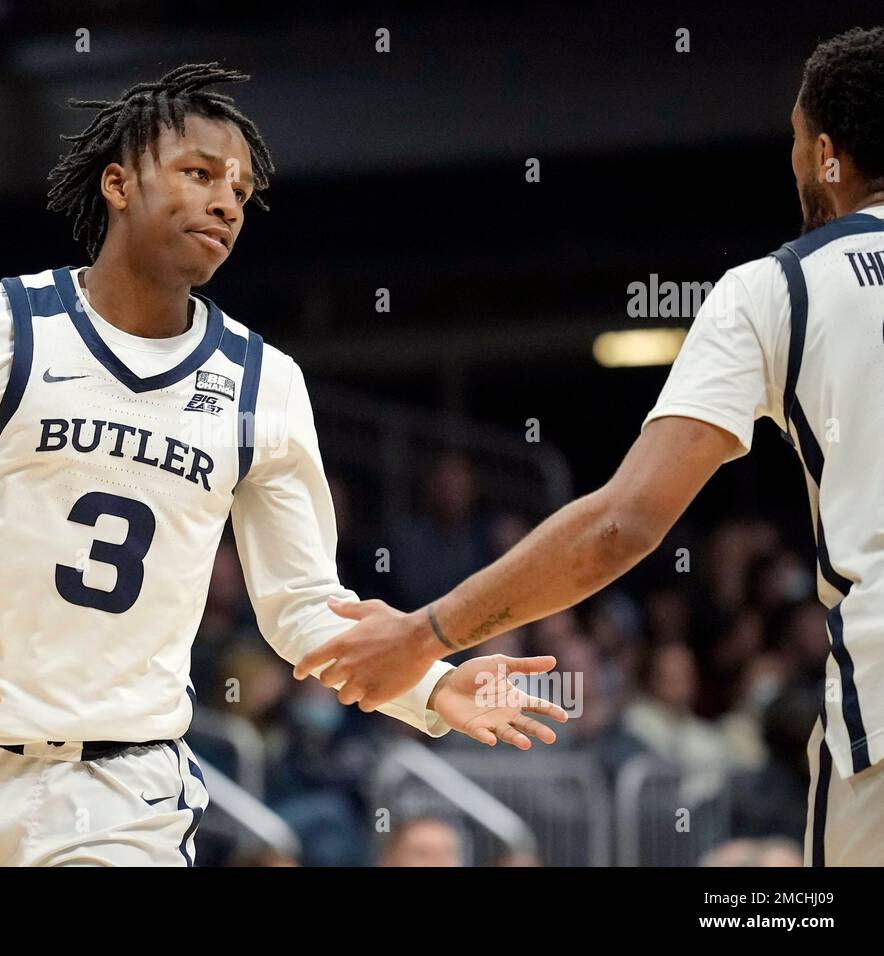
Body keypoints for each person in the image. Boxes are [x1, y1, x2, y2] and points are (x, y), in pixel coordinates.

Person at [0, 62, 567, 867]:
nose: (226, 202)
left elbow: (302, 609)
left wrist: (429, 686)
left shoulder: (266, 384)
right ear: (118, 184)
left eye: (240, 190)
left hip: (124, 789)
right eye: (198, 174)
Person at [293, 27, 884, 867]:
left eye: (793, 142)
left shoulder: (780, 286)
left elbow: (624, 525)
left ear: (825, 153)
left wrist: (425, 634)